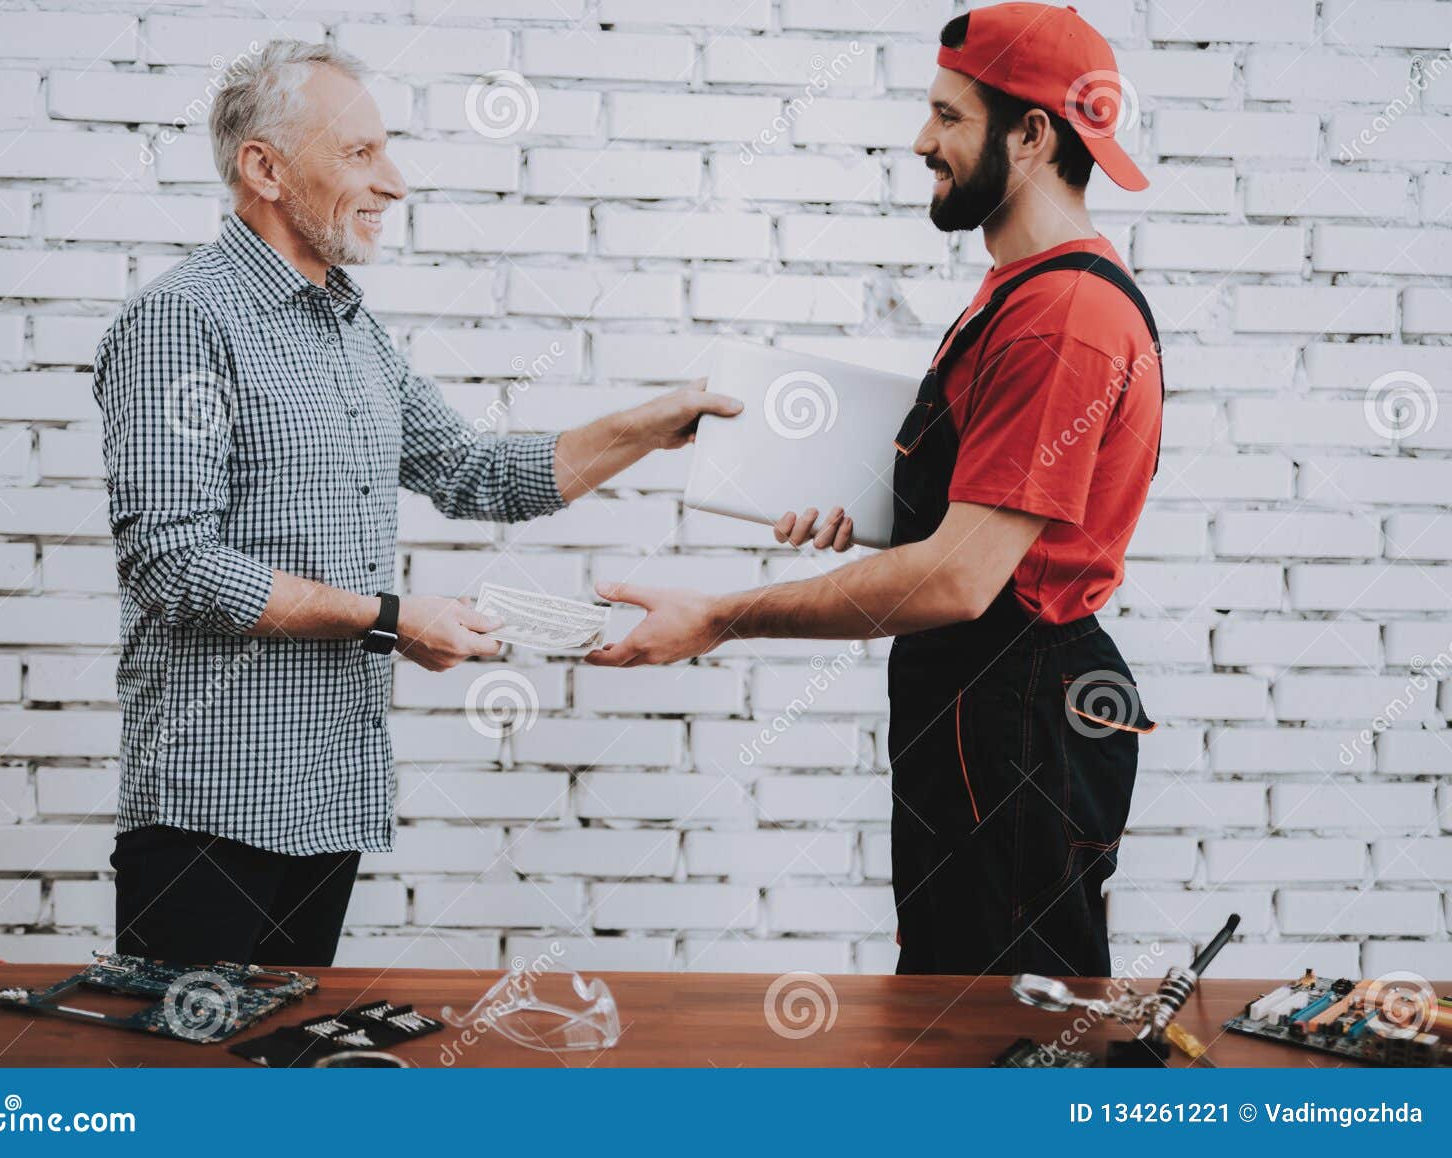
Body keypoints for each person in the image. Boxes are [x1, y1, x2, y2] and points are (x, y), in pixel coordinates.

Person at [93, 41, 736, 967]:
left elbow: (474, 472)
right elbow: (171, 561)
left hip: (328, 800)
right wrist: (392, 620)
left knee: (287, 1086)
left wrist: (650, 423)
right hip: (210, 806)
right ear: (263, 168)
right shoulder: (182, 320)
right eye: (359, 154)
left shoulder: (354, 332)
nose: (393, 183)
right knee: (197, 1090)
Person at [587, 3, 1164, 979]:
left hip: (1016, 710)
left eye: (947, 117)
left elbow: (959, 582)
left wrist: (720, 617)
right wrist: (884, 512)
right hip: (985, 702)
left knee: (1005, 1025)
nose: (920, 142)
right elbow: (984, 532)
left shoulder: (1058, 317)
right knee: (958, 987)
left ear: (1030, 134)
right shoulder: (1021, 292)